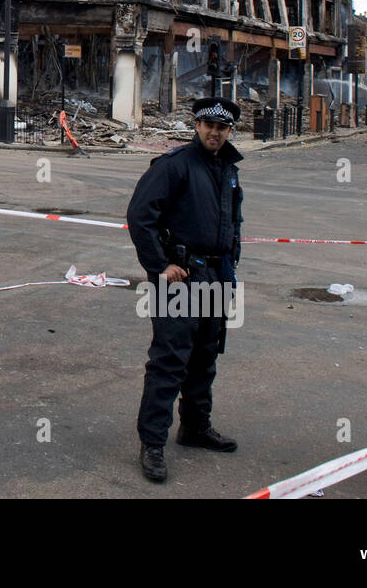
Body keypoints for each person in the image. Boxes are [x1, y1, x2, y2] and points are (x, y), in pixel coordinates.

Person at [128, 97, 243, 483]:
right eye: (208, 125)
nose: (215, 132)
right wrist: (159, 266)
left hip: (215, 275)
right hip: (179, 280)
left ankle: (195, 427)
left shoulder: (228, 168)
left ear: (230, 131)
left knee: (205, 356)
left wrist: (232, 260)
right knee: (170, 361)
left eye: (222, 127)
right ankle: (153, 444)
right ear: (196, 125)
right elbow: (139, 216)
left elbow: (233, 218)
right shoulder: (174, 166)